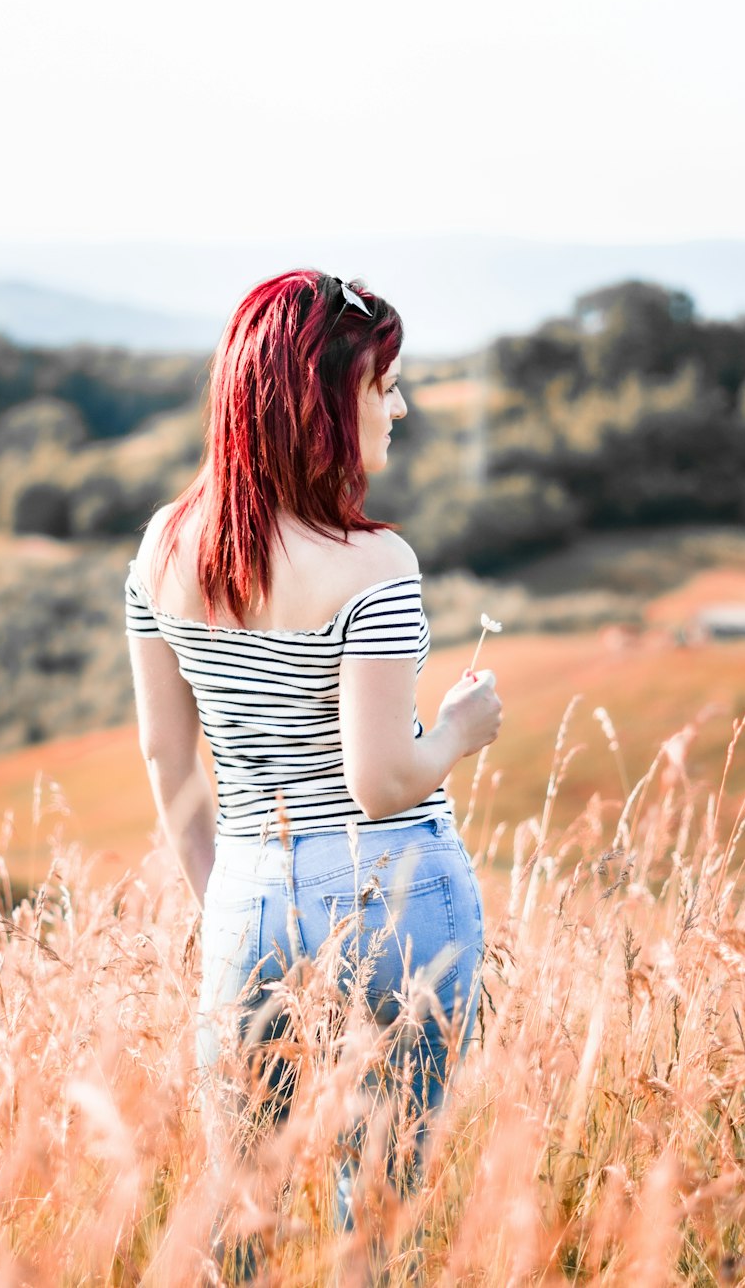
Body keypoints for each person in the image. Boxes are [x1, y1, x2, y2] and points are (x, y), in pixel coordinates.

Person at [124, 269, 501, 1270]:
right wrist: (462, 727)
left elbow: (169, 754)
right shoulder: (374, 569)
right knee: (378, 1214)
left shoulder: (164, 549)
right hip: (397, 892)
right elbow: (381, 780)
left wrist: (227, 898)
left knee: (242, 1209)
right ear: (326, 405)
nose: (401, 407)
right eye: (384, 388)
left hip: (250, 883)